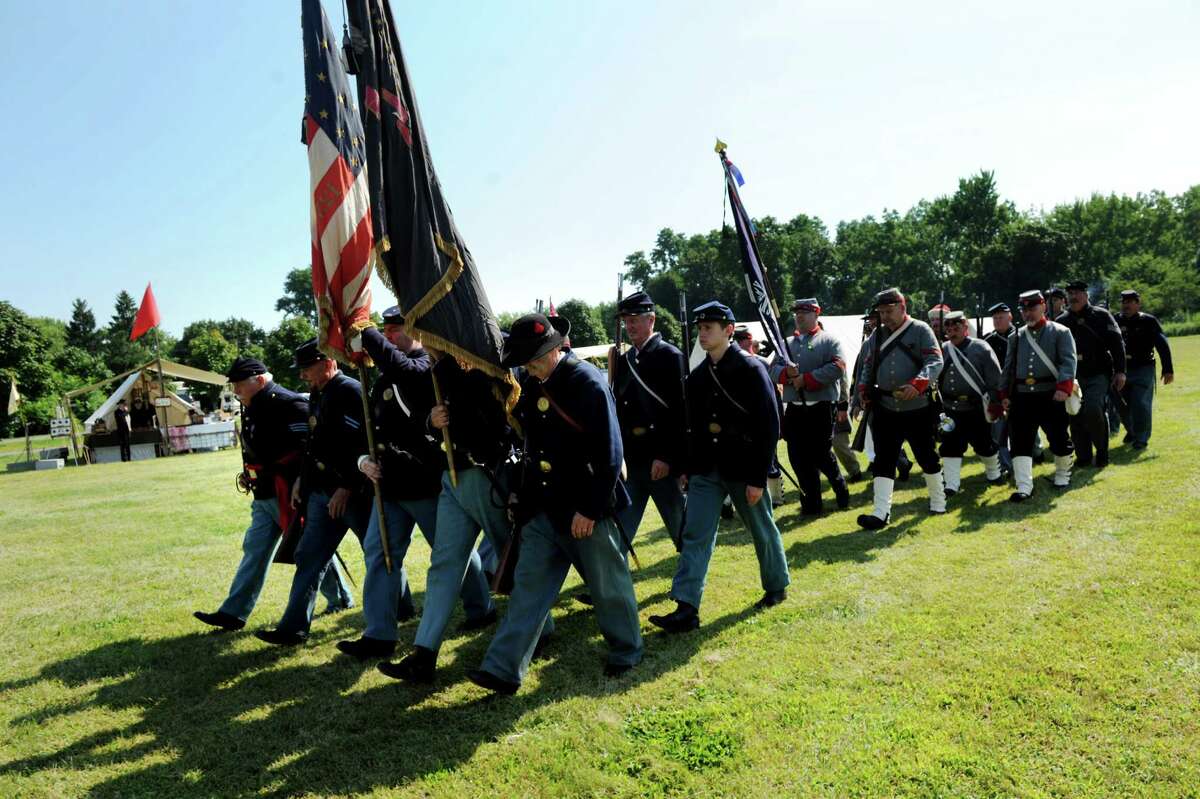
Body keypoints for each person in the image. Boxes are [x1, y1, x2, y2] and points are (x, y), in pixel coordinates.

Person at [466, 313, 643, 694]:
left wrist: (591, 510)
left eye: (533, 358)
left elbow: (611, 454)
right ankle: (501, 669)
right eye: (524, 360)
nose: (527, 367)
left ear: (553, 349)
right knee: (528, 590)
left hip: (585, 509)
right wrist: (520, 493)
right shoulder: (532, 385)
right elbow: (531, 448)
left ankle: (627, 649)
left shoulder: (587, 382)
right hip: (543, 509)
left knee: (607, 585)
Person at [335, 309, 496, 661]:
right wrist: (364, 460)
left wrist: (370, 334)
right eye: (386, 330)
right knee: (380, 554)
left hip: (424, 483)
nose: (389, 336)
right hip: (389, 484)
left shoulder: (423, 365)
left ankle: (480, 607)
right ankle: (379, 633)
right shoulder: (382, 377)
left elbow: (405, 371)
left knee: (452, 552)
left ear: (417, 332)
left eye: (395, 330)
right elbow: (372, 427)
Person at [378, 323, 528, 684]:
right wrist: (431, 421)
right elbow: (430, 427)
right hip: (452, 476)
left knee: (511, 558)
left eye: (433, 337)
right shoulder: (440, 372)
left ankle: (541, 627)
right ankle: (424, 653)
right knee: (444, 565)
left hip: (481, 476)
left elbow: (498, 425)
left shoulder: (481, 369)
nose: (428, 344)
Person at [648, 301, 789, 634]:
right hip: (706, 469)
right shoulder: (697, 376)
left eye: (708, 328)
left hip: (744, 468)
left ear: (728, 330)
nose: (702, 334)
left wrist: (758, 477)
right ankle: (686, 607)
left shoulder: (752, 370)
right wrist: (686, 467)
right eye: (699, 328)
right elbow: (692, 427)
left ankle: (776, 586)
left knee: (761, 528)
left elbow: (770, 426)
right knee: (694, 533)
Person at [193, 357, 352, 632]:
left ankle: (340, 598)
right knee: (254, 550)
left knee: (309, 550)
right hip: (265, 492)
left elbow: (308, 449)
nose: (236, 391)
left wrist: (299, 482)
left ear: (260, 380)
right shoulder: (253, 406)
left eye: (240, 384)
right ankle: (233, 613)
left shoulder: (289, 404)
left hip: (290, 494)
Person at [255, 340, 373, 646]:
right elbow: (312, 444)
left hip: (352, 494)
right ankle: (293, 628)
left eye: (308, 367)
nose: (303, 375)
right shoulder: (319, 393)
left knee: (375, 554)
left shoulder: (351, 391)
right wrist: (301, 482)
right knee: (308, 556)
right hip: (321, 492)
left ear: (329, 362)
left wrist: (348, 486)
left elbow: (363, 444)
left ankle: (398, 610)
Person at [855, 288, 945, 530]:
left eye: (888, 311)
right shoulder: (877, 335)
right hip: (885, 407)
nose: (884, 317)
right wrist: (863, 389)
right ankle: (881, 512)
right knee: (884, 459)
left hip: (918, 407)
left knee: (926, 455)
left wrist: (918, 384)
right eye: (881, 312)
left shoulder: (921, 330)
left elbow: (935, 361)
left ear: (903, 307)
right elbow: (867, 365)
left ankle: (938, 501)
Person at [609, 291, 688, 546]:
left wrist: (666, 456)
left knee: (681, 530)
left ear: (651, 320)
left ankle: (691, 580)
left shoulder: (670, 356)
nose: (629, 325)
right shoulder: (624, 361)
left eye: (635, 319)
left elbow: (680, 412)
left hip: (660, 460)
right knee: (621, 530)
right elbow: (620, 411)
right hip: (632, 460)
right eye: (626, 320)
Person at [771, 298, 849, 515]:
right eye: (797, 312)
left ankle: (839, 487)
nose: (800, 316)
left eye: (805, 312)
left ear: (816, 314)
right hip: (795, 409)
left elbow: (837, 367)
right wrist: (787, 375)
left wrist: (806, 379)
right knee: (797, 456)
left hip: (821, 408)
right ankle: (811, 504)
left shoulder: (829, 340)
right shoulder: (786, 345)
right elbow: (772, 370)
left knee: (821, 454)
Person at [1000, 291, 1077, 501]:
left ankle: (1062, 474)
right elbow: (1009, 368)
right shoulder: (1015, 336)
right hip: (1022, 396)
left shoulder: (1060, 332)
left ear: (1043, 306)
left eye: (1031, 308)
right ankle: (1024, 486)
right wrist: (1005, 393)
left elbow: (1068, 362)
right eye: (1024, 310)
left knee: (1058, 437)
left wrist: (1063, 387)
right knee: (1020, 441)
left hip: (1051, 394)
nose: (1027, 314)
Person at [1057, 281, 1126, 468]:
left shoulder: (1102, 315)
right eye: (1070, 293)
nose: (1074, 296)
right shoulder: (1061, 322)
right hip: (1074, 376)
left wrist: (1120, 371)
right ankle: (1084, 456)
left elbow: (1117, 343)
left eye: (1078, 292)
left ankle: (1102, 452)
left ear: (1086, 295)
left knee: (1093, 408)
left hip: (1099, 372)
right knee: (1075, 414)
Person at [937, 311, 1004, 495]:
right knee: (950, 444)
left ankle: (994, 473)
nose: (952, 331)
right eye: (948, 328)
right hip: (950, 409)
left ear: (965, 327)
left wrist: (995, 402)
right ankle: (951, 484)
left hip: (976, 407)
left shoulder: (980, 348)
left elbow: (994, 379)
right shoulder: (942, 350)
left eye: (956, 327)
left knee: (983, 443)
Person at [1116, 290, 1174, 450]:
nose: (1126, 305)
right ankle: (1132, 429)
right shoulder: (1114, 320)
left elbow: (1162, 344)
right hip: (1121, 369)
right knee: (1122, 405)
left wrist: (1167, 368)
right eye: (1124, 302)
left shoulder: (1148, 321)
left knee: (1140, 403)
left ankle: (1141, 438)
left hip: (1143, 368)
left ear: (1137, 303)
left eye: (1130, 302)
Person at [983, 302, 1016, 475]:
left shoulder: (1020, 336)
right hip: (997, 391)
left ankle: (1034, 453)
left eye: (1000, 317)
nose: (997, 321)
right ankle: (1005, 464)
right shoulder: (988, 341)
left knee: (1021, 427)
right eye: (994, 318)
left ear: (1009, 317)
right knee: (999, 432)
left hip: (1018, 388)